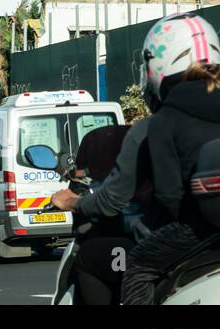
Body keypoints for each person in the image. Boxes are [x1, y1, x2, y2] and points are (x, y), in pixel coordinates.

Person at [119, 12, 220, 305]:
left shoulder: (167, 118)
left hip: (204, 227)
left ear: (158, 63)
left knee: (137, 268)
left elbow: (169, 195)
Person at [51, 122, 152, 305]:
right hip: (208, 240)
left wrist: (72, 202)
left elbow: (110, 201)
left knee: (87, 257)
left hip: (163, 244)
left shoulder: (156, 128)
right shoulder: (211, 124)